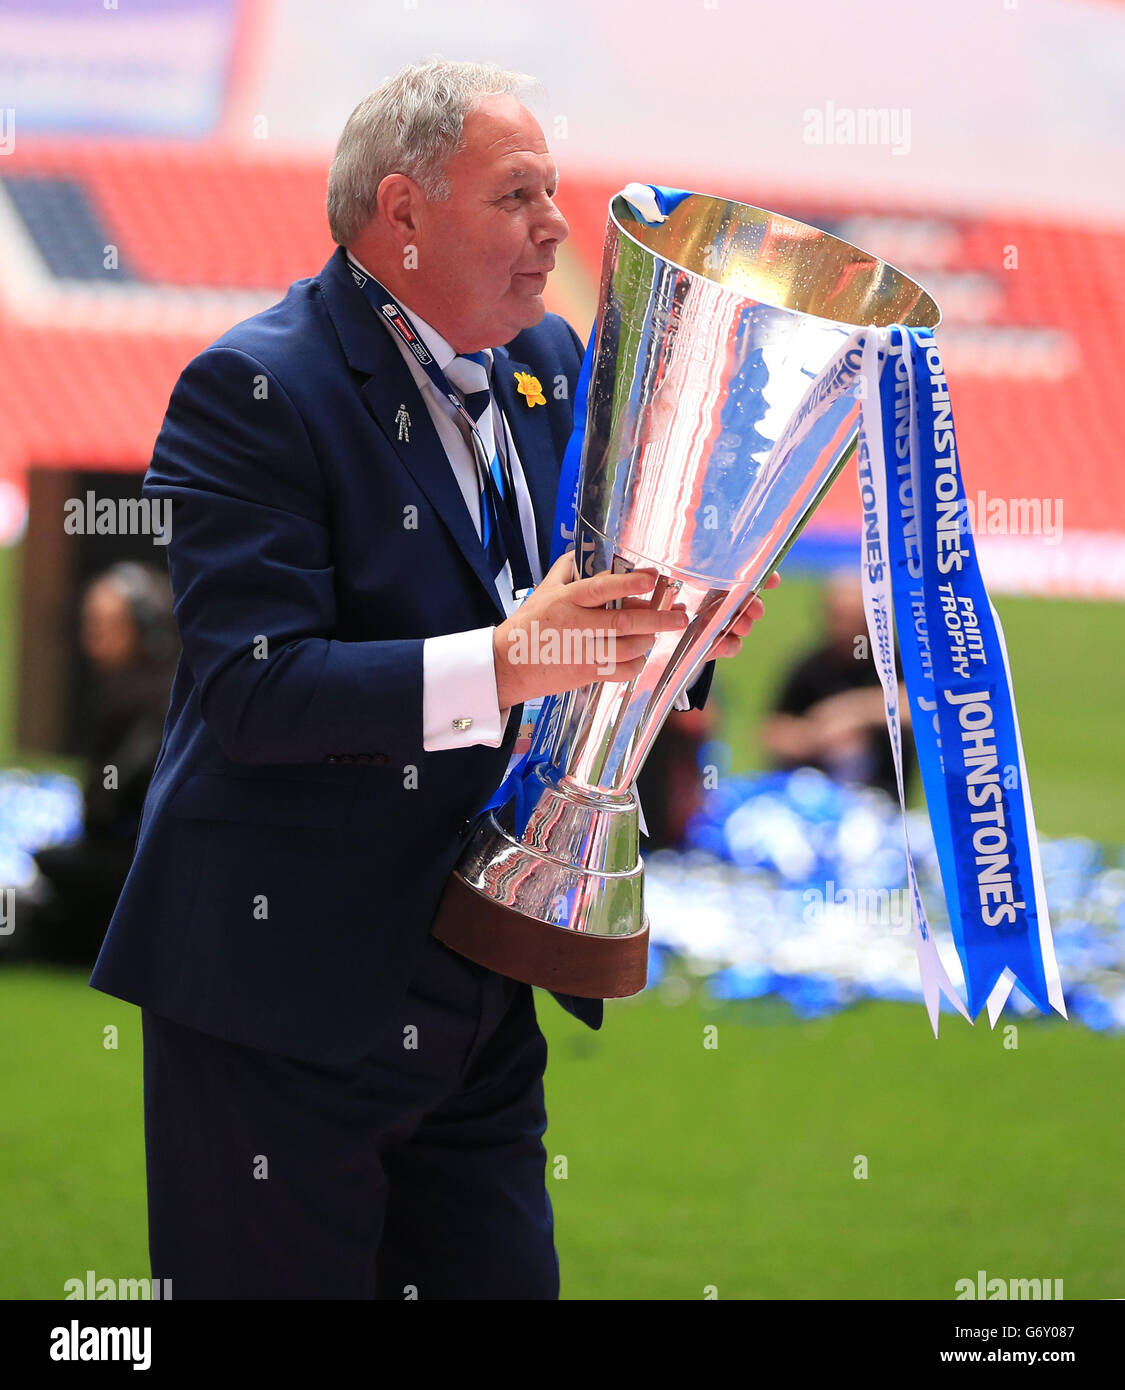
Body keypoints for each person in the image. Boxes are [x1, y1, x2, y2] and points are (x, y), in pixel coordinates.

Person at [90, 60, 775, 1300]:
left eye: (554, 191)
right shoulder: (256, 388)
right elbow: (258, 691)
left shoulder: (552, 363)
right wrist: (522, 652)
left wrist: (666, 640)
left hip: (476, 970)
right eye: (519, 195)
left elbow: (571, 619)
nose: (559, 226)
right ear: (403, 215)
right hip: (278, 989)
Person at [2, 562, 176, 967]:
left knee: (54, 864)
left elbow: (104, 810)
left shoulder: (151, 701)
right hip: (138, 861)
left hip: (145, 868)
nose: (90, 642)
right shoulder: (140, 692)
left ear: (146, 631)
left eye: (104, 628)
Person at [762, 569, 911, 800]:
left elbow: (920, 706)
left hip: (880, 796)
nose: (844, 628)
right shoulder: (810, 667)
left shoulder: (893, 665)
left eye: (852, 618)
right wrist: (815, 736)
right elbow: (772, 732)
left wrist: (853, 712)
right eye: (837, 617)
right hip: (814, 794)